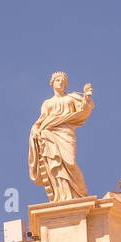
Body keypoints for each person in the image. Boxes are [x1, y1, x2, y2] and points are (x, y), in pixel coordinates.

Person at [28, 72, 95, 200]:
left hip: (66, 132)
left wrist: (87, 98)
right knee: (55, 164)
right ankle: (62, 195)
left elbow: (84, 110)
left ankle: (80, 193)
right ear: (52, 83)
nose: (61, 82)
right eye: (58, 80)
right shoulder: (47, 103)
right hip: (49, 134)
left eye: (63, 80)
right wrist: (35, 129)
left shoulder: (72, 98)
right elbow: (41, 121)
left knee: (70, 162)